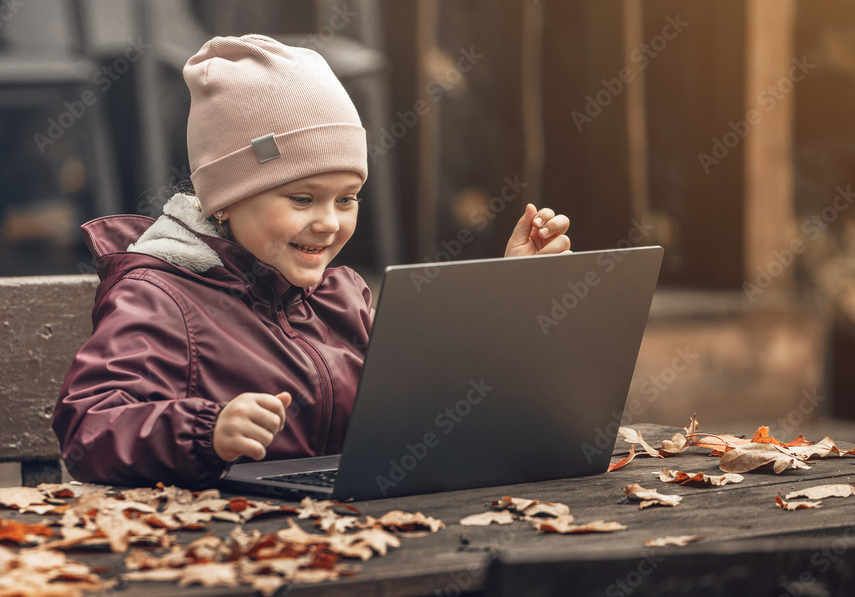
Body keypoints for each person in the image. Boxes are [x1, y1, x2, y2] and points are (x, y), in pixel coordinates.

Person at [52, 34, 571, 488]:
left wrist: (510, 293)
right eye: (303, 199)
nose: (328, 221)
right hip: (226, 551)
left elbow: (434, 406)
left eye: (346, 199)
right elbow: (90, 426)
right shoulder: (161, 297)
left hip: (353, 535)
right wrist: (205, 432)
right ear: (224, 201)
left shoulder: (340, 297)